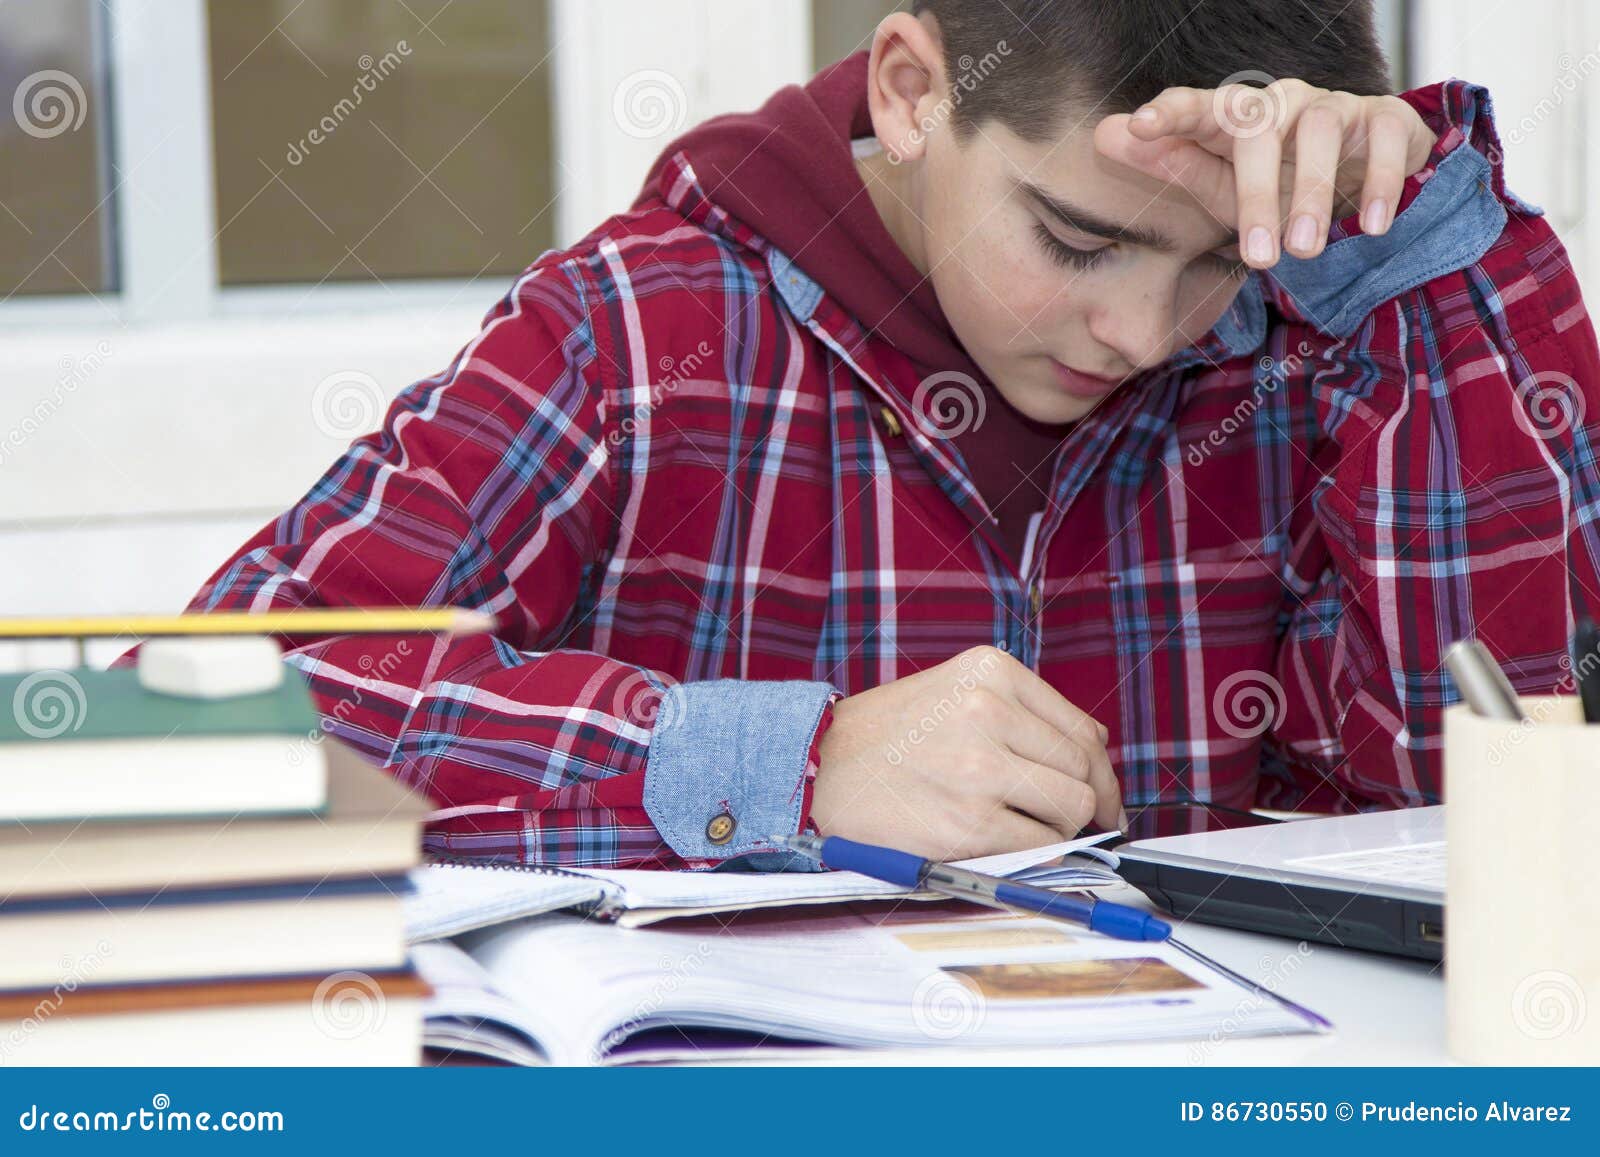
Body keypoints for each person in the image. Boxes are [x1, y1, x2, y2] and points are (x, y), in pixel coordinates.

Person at [173, 1, 1600, 869]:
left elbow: (1486, 788)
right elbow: (214, 717)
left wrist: (1422, 260)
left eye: (1216, 259)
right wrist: (774, 767)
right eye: (1078, 238)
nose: (1147, 332)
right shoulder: (634, 338)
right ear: (915, 92)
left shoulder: (1319, 343)